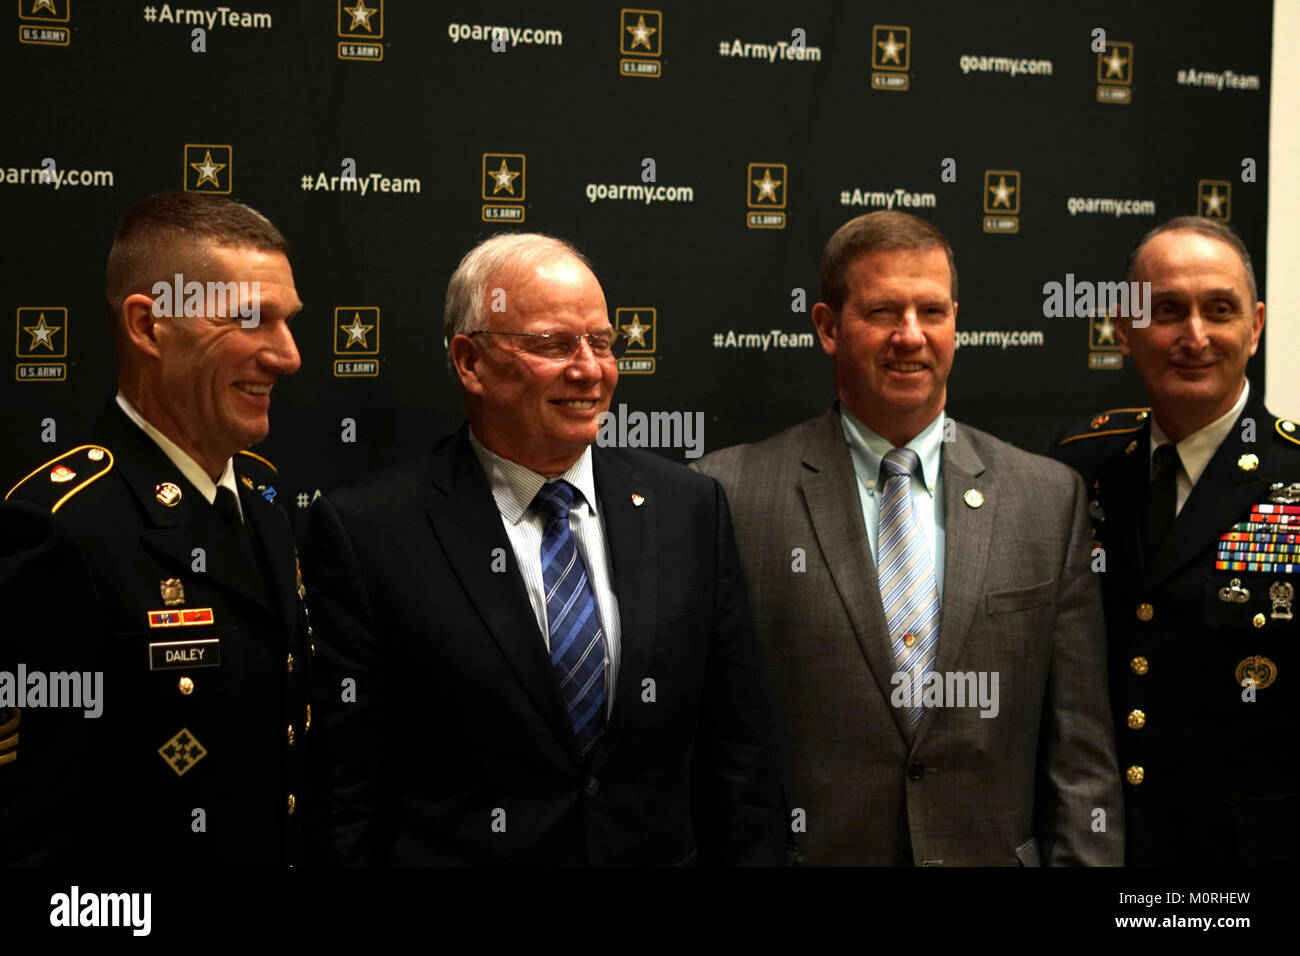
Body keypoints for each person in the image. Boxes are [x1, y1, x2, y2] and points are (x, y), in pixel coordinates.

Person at [302, 233, 783, 866]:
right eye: (552, 345)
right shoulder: (371, 530)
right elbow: (347, 788)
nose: (589, 369)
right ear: (469, 361)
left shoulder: (688, 507)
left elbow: (738, 748)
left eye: (602, 343)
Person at [694, 211, 1124, 866]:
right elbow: (710, 749)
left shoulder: (1047, 498)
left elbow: (1081, 756)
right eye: (882, 312)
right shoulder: (731, 492)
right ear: (828, 328)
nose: (910, 337)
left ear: (957, 321)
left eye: (932, 311)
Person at [0, 192, 309, 866]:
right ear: (148, 326)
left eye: (287, 322)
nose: (288, 356)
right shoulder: (64, 531)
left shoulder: (263, 501)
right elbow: (29, 831)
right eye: (251, 320)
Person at [1052, 216, 1298, 866]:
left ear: (1256, 326)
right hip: (1103, 844)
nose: (1194, 337)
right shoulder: (1082, 466)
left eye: (1220, 310)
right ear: (1124, 328)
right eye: (1167, 311)